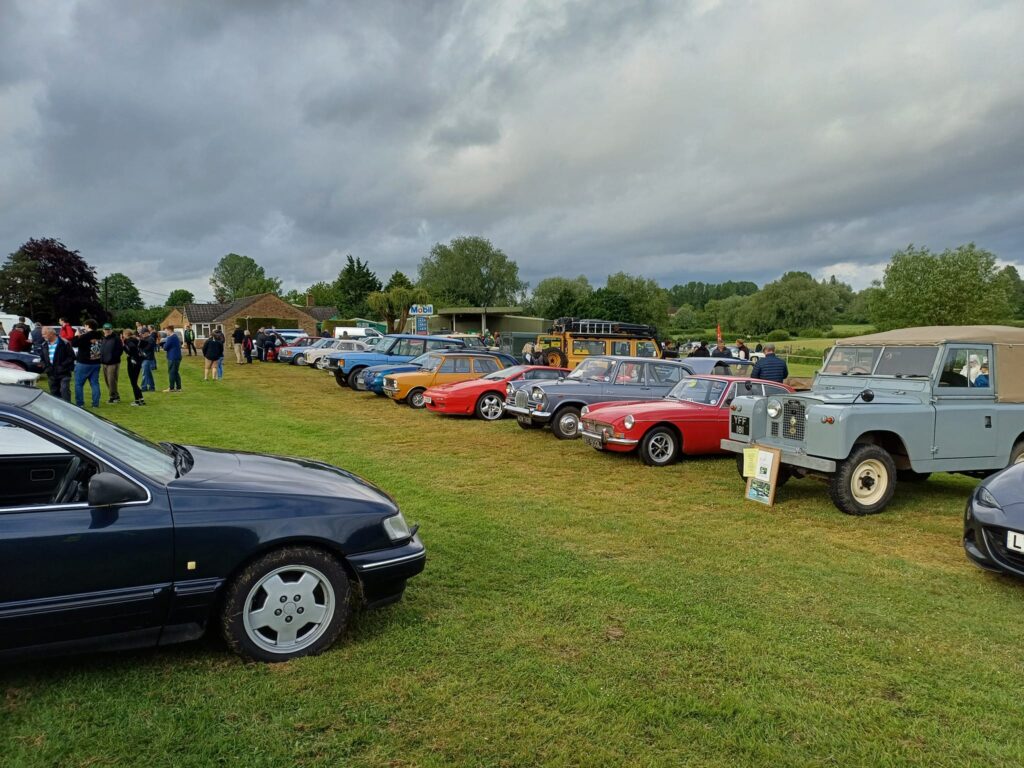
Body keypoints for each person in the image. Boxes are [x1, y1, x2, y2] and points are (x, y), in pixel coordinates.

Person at [71, 319, 104, 407]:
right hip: (96, 362)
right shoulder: (100, 335)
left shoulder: (85, 336)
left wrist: (76, 336)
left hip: (84, 362)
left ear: (88, 326)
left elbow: (74, 344)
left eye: (85, 325)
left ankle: (80, 403)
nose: (84, 327)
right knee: (94, 383)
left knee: (79, 384)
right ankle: (95, 404)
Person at [41, 326, 75, 402]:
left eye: (44, 334)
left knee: (64, 390)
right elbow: (42, 358)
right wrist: (46, 368)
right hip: (51, 373)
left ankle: (67, 407)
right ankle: (56, 407)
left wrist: (62, 366)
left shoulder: (64, 343)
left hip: (64, 373)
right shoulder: (44, 345)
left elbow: (71, 357)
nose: (43, 336)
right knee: (54, 392)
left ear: (51, 334)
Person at [100, 322, 124, 404]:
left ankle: (114, 397)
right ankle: (113, 395)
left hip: (113, 363)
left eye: (108, 329)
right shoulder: (104, 338)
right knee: (107, 380)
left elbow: (120, 351)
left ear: (111, 330)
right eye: (105, 329)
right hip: (104, 363)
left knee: (112, 380)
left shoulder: (116, 339)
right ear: (103, 330)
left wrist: (112, 358)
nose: (107, 331)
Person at [122, 329, 145, 406]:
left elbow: (132, 348)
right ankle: (141, 399)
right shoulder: (136, 339)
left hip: (132, 362)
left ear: (126, 334)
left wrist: (130, 354)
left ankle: (137, 400)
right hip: (138, 362)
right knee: (135, 382)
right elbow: (145, 343)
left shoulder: (128, 341)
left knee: (133, 382)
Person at [162, 326, 183, 392]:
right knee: (175, 372)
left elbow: (165, 347)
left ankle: (171, 388)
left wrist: (163, 345)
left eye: (166, 331)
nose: (165, 332)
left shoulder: (171, 338)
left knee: (171, 372)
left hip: (172, 357)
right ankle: (179, 388)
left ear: (169, 330)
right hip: (177, 357)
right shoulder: (175, 336)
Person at [140, 328, 157, 392]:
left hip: (148, 358)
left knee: (145, 373)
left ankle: (144, 387)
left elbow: (149, 348)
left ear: (147, 332)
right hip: (145, 358)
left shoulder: (150, 339)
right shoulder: (144, 339)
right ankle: (152, 387)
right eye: (142, 333)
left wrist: (142, 349)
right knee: (148, 373)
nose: (142, 334)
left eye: (143, 333)